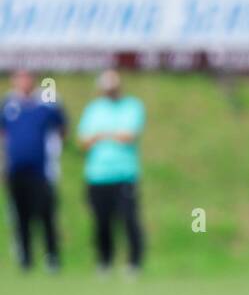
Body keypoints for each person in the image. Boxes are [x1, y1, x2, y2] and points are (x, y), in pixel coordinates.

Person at [77, 70, 146, 272]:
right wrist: (110, 135)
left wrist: (100, 135)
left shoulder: (132, 106)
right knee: (101, 222)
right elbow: (84, 140)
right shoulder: (93, 109)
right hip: (97, 175)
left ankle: (134, 263)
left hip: (124, 174)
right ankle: (104, 262)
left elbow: (128, 136)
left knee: (129, 220)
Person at [2, 70, 66, 271]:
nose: (24, 81)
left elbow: (61, 128)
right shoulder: (8, 104)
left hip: (42, 171)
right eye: (20, 77)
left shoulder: (46, 102)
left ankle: (52, 258)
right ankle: (25, 260)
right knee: (20, 217)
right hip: (16, 171)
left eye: (27, 76)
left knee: (46, 214)